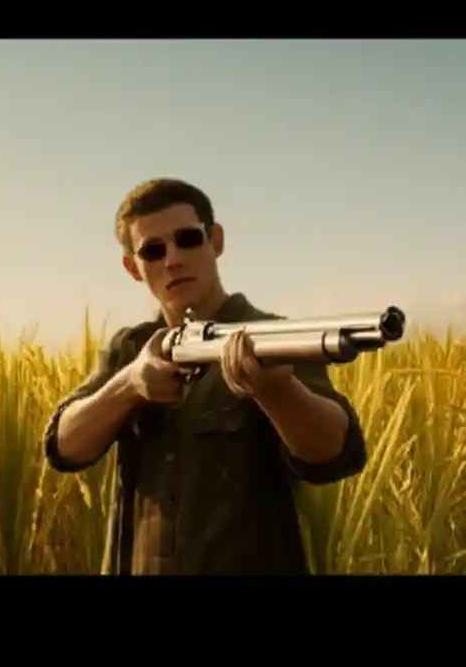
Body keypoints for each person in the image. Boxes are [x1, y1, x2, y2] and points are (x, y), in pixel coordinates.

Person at [43, 178, 367, 575]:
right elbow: (65, 446)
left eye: (187, 240)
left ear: (215, 240)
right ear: (132, 267)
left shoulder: (273, 338)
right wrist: (130, 385)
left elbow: (333, 450)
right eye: (153, 250)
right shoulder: (132, 348)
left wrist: (276, 390)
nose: (173, 259)